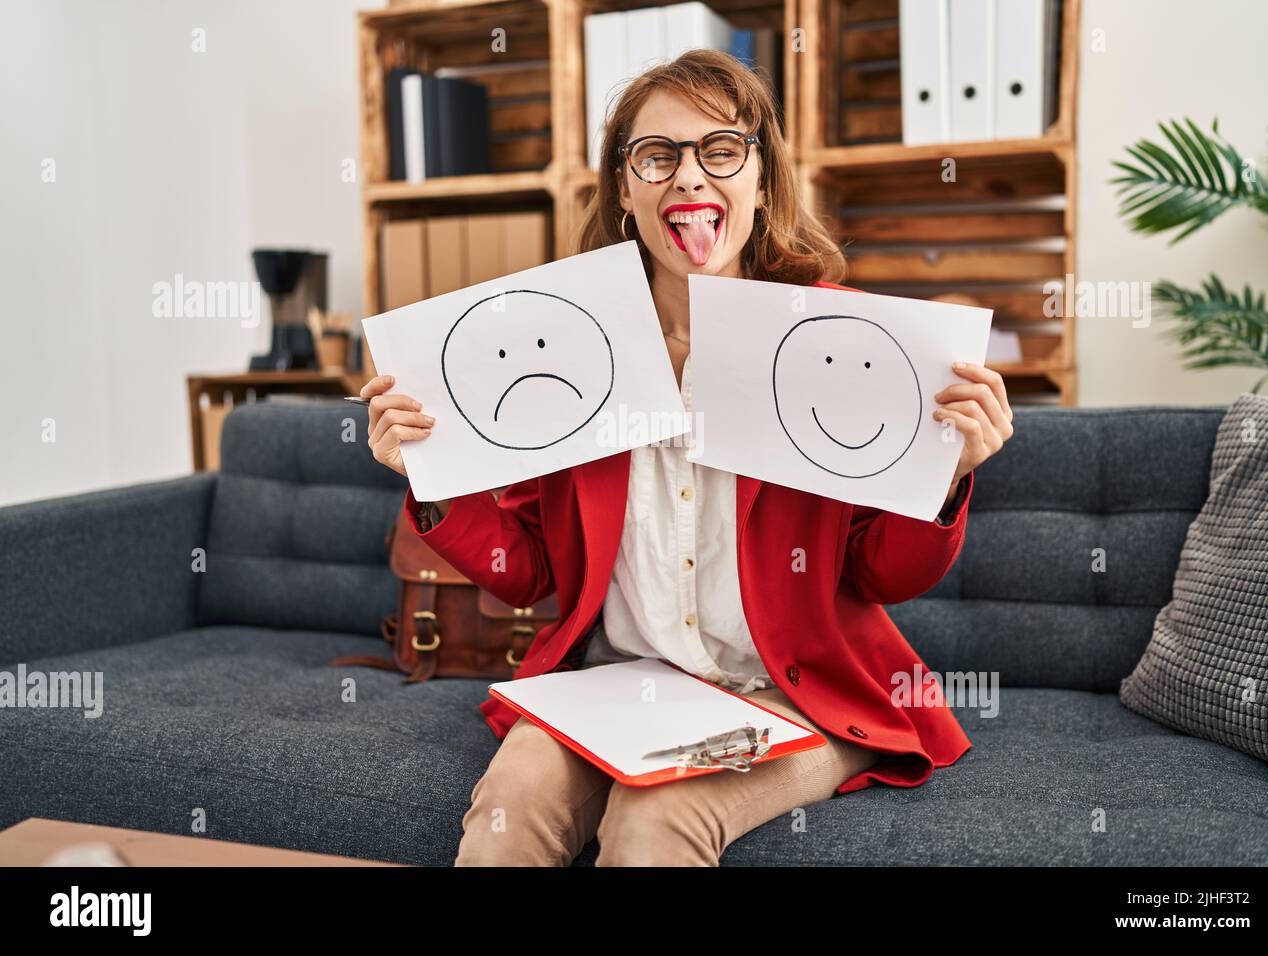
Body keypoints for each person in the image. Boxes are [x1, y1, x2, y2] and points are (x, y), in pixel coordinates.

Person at [361, 49, 1014, 866]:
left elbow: (883, 577)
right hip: (619, 684)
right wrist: (435, 476)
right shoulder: (572, 351)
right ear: (626, 190)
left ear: (762, 182)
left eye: (721, 150)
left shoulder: (836, 344)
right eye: (658, 155)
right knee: (510, 805)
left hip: (797, 694)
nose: (690, 178)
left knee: (655, 821)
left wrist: (946, 478)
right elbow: (528, 573)